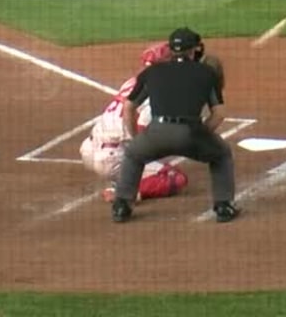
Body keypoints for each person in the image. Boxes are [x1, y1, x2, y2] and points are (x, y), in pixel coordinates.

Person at [109, 27, 238, 223]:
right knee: (221, 154)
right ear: (194, 49)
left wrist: (137, 139)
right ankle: (223, 205)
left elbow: (129, 107)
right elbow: (219, 114)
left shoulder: (152, 71)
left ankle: (122, 205)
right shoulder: (207, 73)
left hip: (156, 134)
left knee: (133, 155)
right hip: (191, 133)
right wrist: (202, 133)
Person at [79, 41, 188, 203]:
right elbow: (142, 125)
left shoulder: (132, 82)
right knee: (176, 178)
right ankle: (122, 190)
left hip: (89, 148)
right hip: (111, 159)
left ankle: (123, 176)